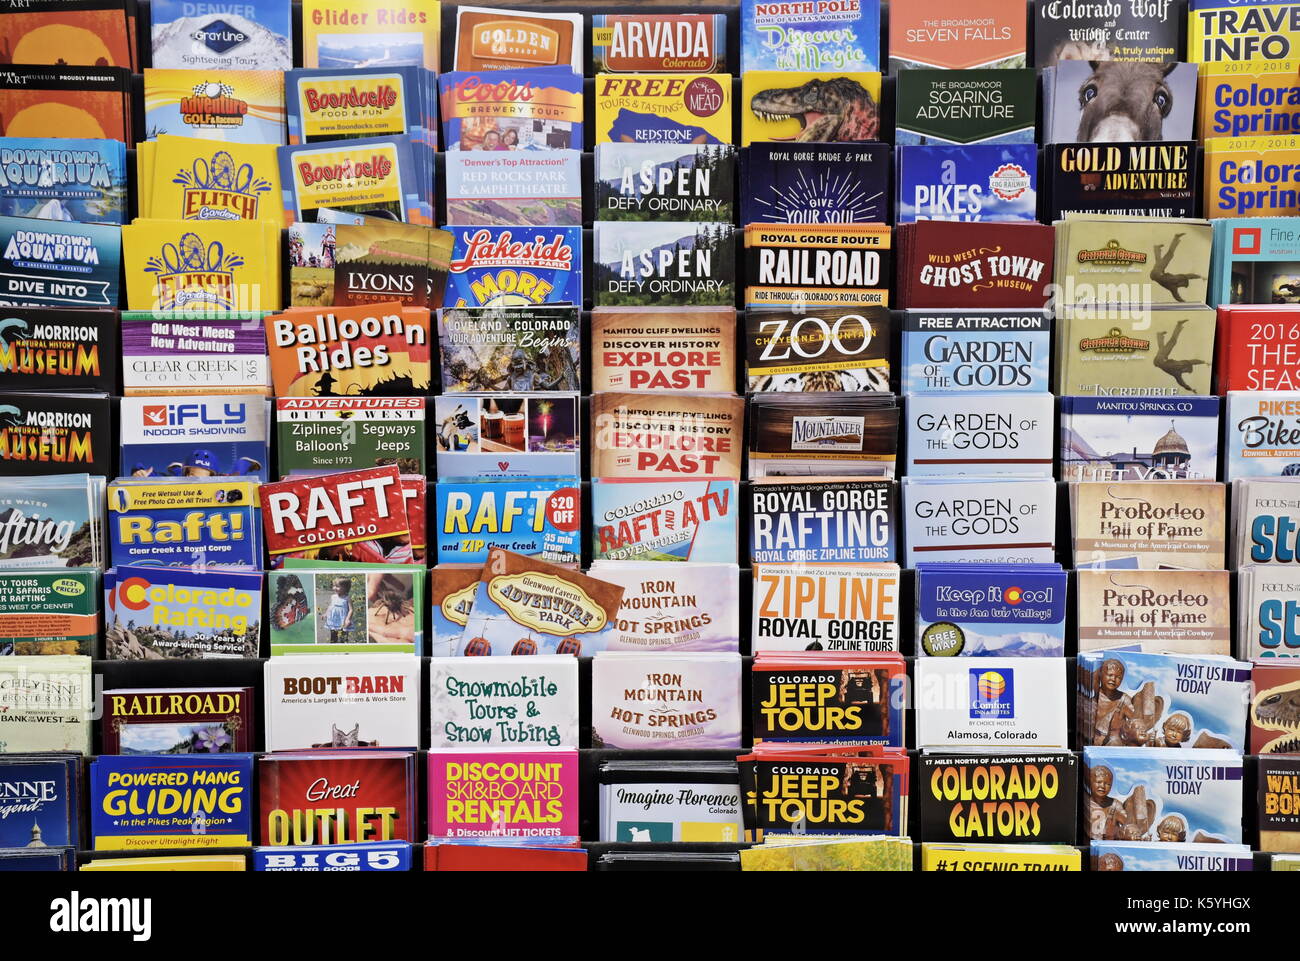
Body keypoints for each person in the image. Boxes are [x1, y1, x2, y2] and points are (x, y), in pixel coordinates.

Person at [1086, 763, 1120, 840]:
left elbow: (1127, 822)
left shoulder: (1115, 804)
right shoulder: (1084, 803)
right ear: (1090, 782)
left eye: (1108, 784)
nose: (1102, 786)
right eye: (1098, 782)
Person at [323, 577, 354, 644]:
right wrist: (326, 613)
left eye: (337, 586)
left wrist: (348, 619)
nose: (334, 588)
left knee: (343, 637)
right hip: (333, 620)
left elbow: (351, 609)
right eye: (334, 586)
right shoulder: (333, 596)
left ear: (345, 588)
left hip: (343, 620)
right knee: (333, 637)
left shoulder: (347, 598)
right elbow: (331, 606)